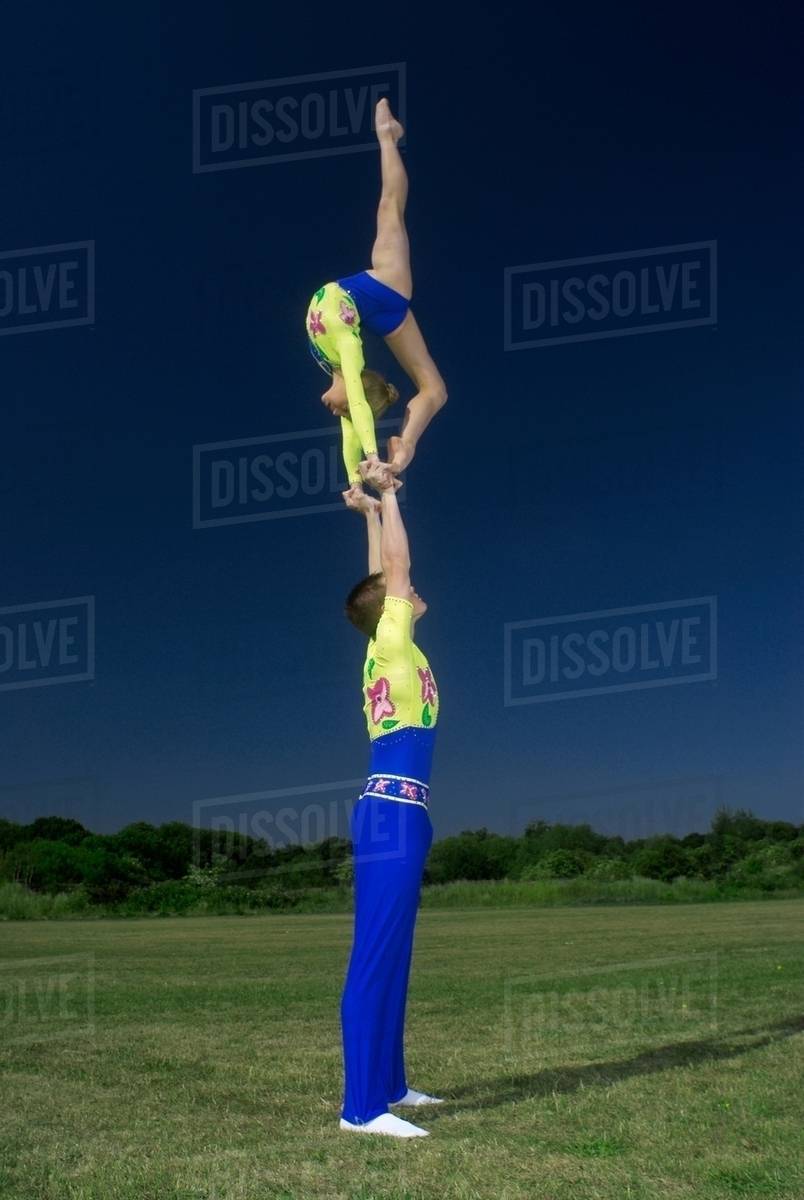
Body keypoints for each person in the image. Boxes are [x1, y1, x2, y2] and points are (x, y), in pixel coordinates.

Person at [337, 461, 442, 1137]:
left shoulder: (392, 643)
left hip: (408, 814)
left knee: (396, 954)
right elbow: (394, 574)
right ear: (390, 608)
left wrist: (371, 516)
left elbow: (383, 578)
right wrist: (392, 496)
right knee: (375, 953)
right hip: (390, 816)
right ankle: (360, 1108)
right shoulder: (392, 640)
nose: (410, 588)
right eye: (401, 591)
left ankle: (392, 1085)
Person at [305, 98, 447, 489]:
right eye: (348, 410)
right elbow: (354, 398)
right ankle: (387, 137)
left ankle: (405, 449)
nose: (336, 414)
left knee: (435, 388)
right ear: (358, 399)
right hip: (380, 286)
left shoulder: (330, 363)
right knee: (389, 205)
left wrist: (354, 482)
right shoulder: (349, 356)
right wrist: (371, 456)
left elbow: (349, 428)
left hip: (377, 309)